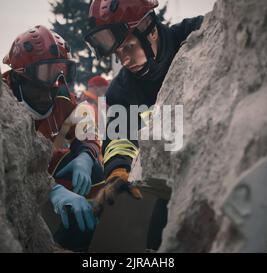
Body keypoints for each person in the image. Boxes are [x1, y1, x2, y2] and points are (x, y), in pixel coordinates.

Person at [84, 0, 204, 251]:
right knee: (159, 244)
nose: (125, 60)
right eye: (118, 54)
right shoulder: (122, 90)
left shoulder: (197, 34)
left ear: (151, 31)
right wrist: (117, 171)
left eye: (129, 47)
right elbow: (119, 139)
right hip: (177, 179)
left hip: (220, 156)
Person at [2, 25, 104, 252]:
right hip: (13, 189)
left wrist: (86, 157)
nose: (52, 89)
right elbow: (8, 170)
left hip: (47, 179)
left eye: (60, 72)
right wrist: (52, 190)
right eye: (45, 74)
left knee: (95, 170)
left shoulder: (60, 97)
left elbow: (86, 131)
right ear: (20, 77)